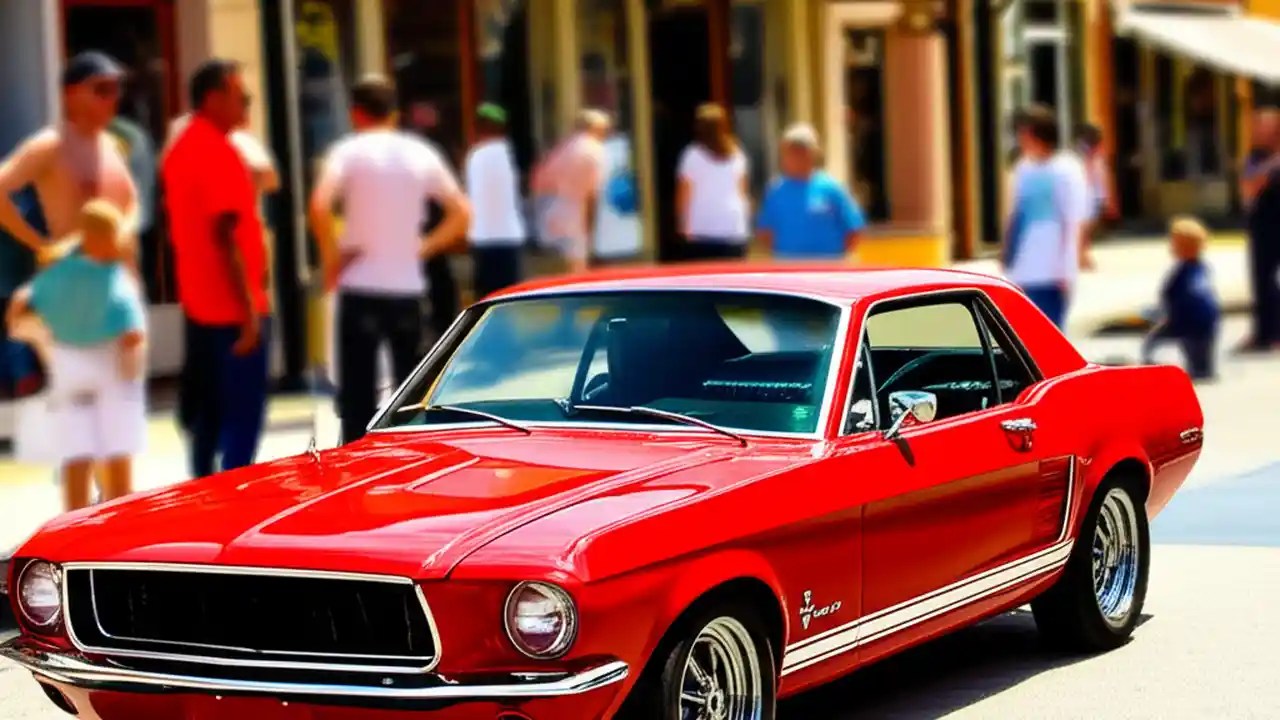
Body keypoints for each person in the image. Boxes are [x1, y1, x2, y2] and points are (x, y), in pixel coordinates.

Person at [309, 75, 470, 444]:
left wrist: (332, 259)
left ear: (355, 113)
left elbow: (319, 206)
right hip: (405, 287)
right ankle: (408, 459)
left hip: (360, 286)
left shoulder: (347, 152)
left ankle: (356, 461)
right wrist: (424, 247)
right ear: (394, 113)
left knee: (357, 396)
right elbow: (461, 213)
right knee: (408, 393)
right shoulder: (419, 153)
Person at [163, 59, 273, 478]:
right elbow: (226, 237)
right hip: (231, 312)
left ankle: (204, 492)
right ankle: (233, 497)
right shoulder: (216, 151)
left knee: (207, 418)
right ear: (213, 99)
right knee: (241, 422)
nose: (247, 104)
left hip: (200, 307)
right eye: (240, 96)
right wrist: (249, 315)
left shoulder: (182, 147)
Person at [5, 200, 146, 511]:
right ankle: (120, 517)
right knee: (117, 457)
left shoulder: (57, 271)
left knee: (77, 458)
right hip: (108, 368)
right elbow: (132, 333)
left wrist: (42, 338)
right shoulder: (108, 275)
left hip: (68, 368)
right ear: (103, 237)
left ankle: (75, 522)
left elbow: (21, 307)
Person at [0, 51, 140, 273]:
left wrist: (124, 232)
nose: (113, 98)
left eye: (116, 89)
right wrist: (42, 246)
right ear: (70, 94)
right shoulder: (50, 144)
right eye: (102, 89)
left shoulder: (112, 143)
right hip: (77, 281)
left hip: (121, 281)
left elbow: (131, 202)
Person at [1002, 105, 1089, 330]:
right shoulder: (1023, 168)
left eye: (1025, 134)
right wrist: (1007, 253)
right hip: (1023, 269)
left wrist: (1068, 268)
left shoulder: (1066, 168)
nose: (1021, 140)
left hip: (1051, 271)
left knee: (1049, 331)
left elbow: (1074, 220)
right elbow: (1016, 214)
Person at [755, 123, 866, 260]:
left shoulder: (832, 188)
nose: (796, 157)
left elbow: (854, 229)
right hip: (789, 267)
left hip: (828, 267)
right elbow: (765, 232)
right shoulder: (775, 191)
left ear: (813, 153)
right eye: (791, 152)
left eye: (802, 151)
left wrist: (836, 258)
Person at [1141, 217, 1220, 381]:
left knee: (1152, 342)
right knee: (1201, 353)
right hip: (1209, 317)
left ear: (1180, 246)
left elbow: (1171, 295)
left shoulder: (1182, 272)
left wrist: (1162, 315)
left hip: (1186, 318)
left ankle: (1152, 368)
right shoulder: (1202, 268)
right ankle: (1204, 369)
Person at [533, 109, 611, 272]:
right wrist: (590, 228)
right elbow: (593, 193)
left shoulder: (563, 148)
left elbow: (538, 179)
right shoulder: (595, 150)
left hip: (550, 211)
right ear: (596, 128)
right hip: (575, 213)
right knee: (577, 268)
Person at [465, 103, 526, 298]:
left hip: (482, 237)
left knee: (487, 299)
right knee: (510, 298)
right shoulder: (512, 154)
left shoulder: (475, 156)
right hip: (510, 236)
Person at [676, 103, 751, 260]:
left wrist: (682, 224)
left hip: (702, 226)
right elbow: (743, 193)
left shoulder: (692, 155)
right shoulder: (737, 154)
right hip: (733, 226)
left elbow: (684, 195)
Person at [1239, 108, 1280, 352]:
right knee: (1262, 280)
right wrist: (1271, 166)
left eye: (1264, 126)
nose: (1258, 131)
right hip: (1263, 224)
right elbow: (1248, 188)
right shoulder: (1256, 157)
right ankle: (1263, 334)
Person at [1075, 123, 1114, 271]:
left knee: (1087, 228)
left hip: (1093, 193)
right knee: (1085, 228)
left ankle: (1083, 256)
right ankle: (1082, 257)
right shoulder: (1087, 153)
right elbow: (1095, 174)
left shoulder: (1092, 152)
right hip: (1089, 194)